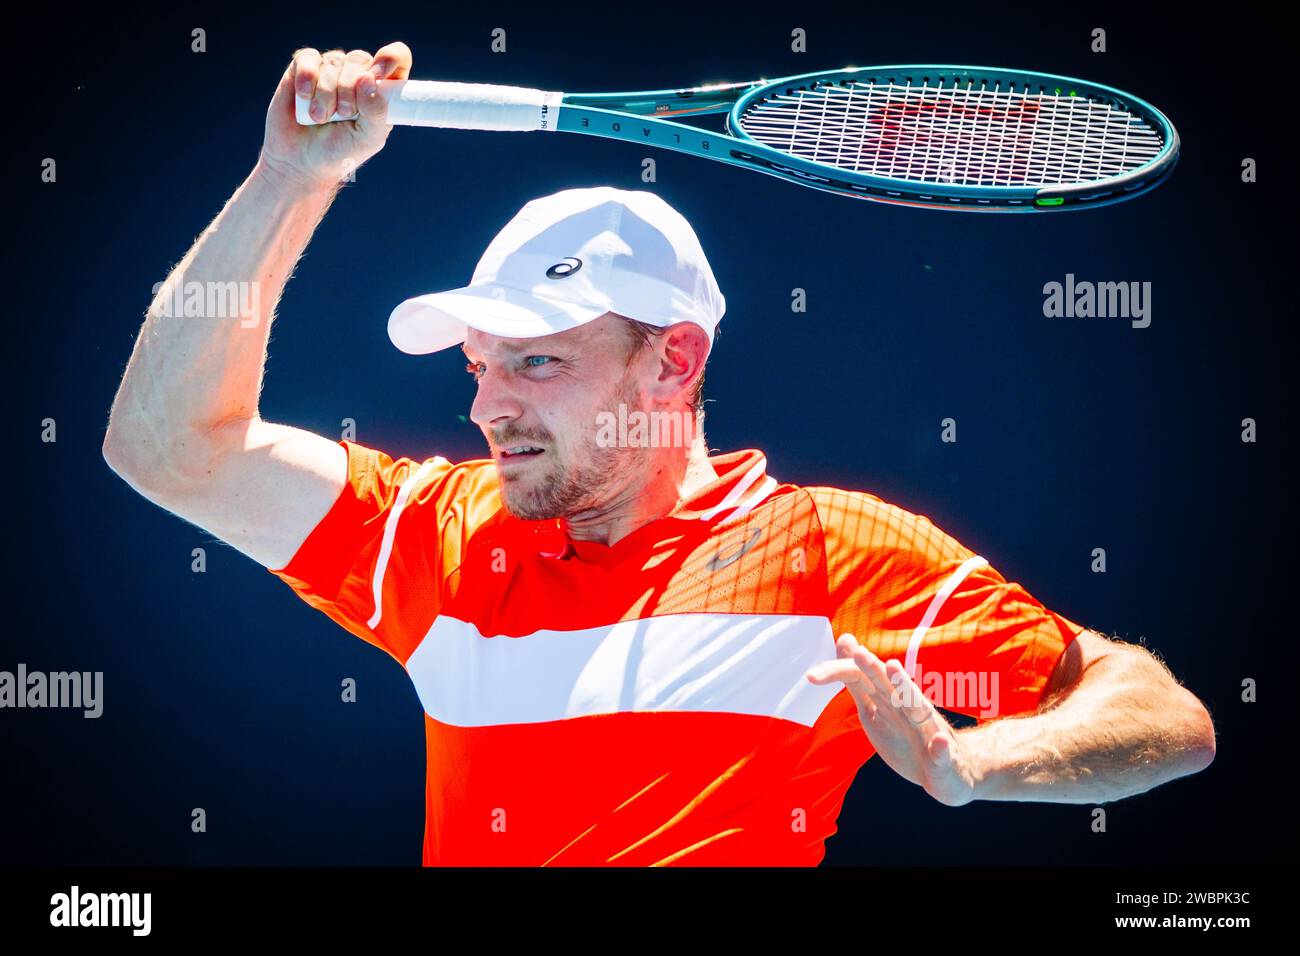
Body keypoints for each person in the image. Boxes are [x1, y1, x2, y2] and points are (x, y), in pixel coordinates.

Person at [102, 42, 1216, 866]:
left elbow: (1161, 719)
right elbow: (166, 448)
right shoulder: (438, 532)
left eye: (534, 363)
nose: (487, 404)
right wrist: (288, 178)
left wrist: (974, 769)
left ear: (673, 362)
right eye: (478, 364)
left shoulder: (835, 550)